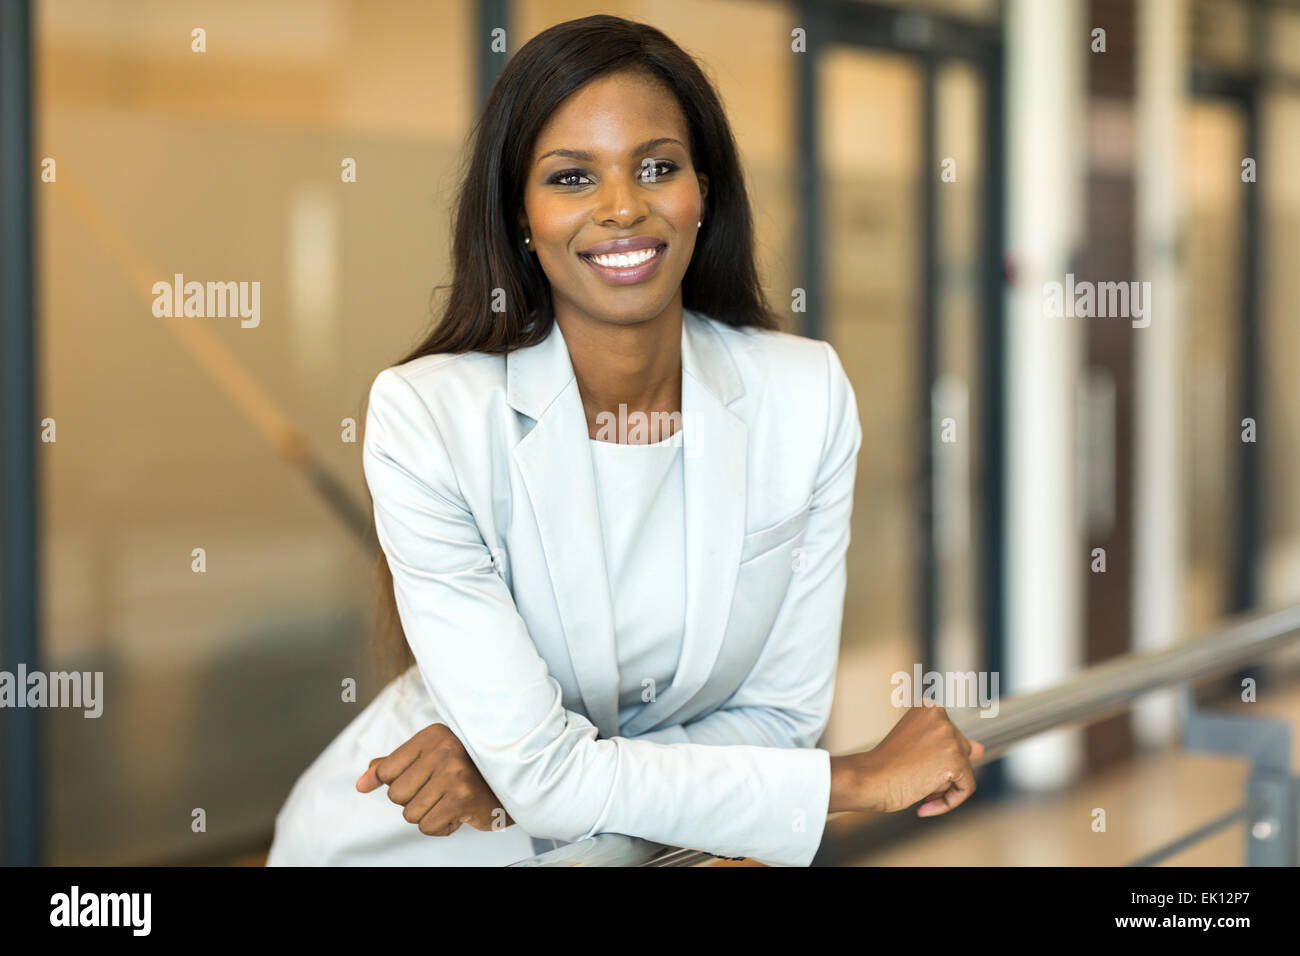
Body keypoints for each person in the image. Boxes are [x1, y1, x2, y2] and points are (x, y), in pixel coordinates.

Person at [267, 14, 982, 868]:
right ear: (521, 216)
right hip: (417, 845)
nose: (622, 206)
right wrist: (853, 782)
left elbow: (778, 725)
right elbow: (571, 772)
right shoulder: (428, 418)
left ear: (703, 189)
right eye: (572, 177)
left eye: (656, 166)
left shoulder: (804, 395)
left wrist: (535, 778)